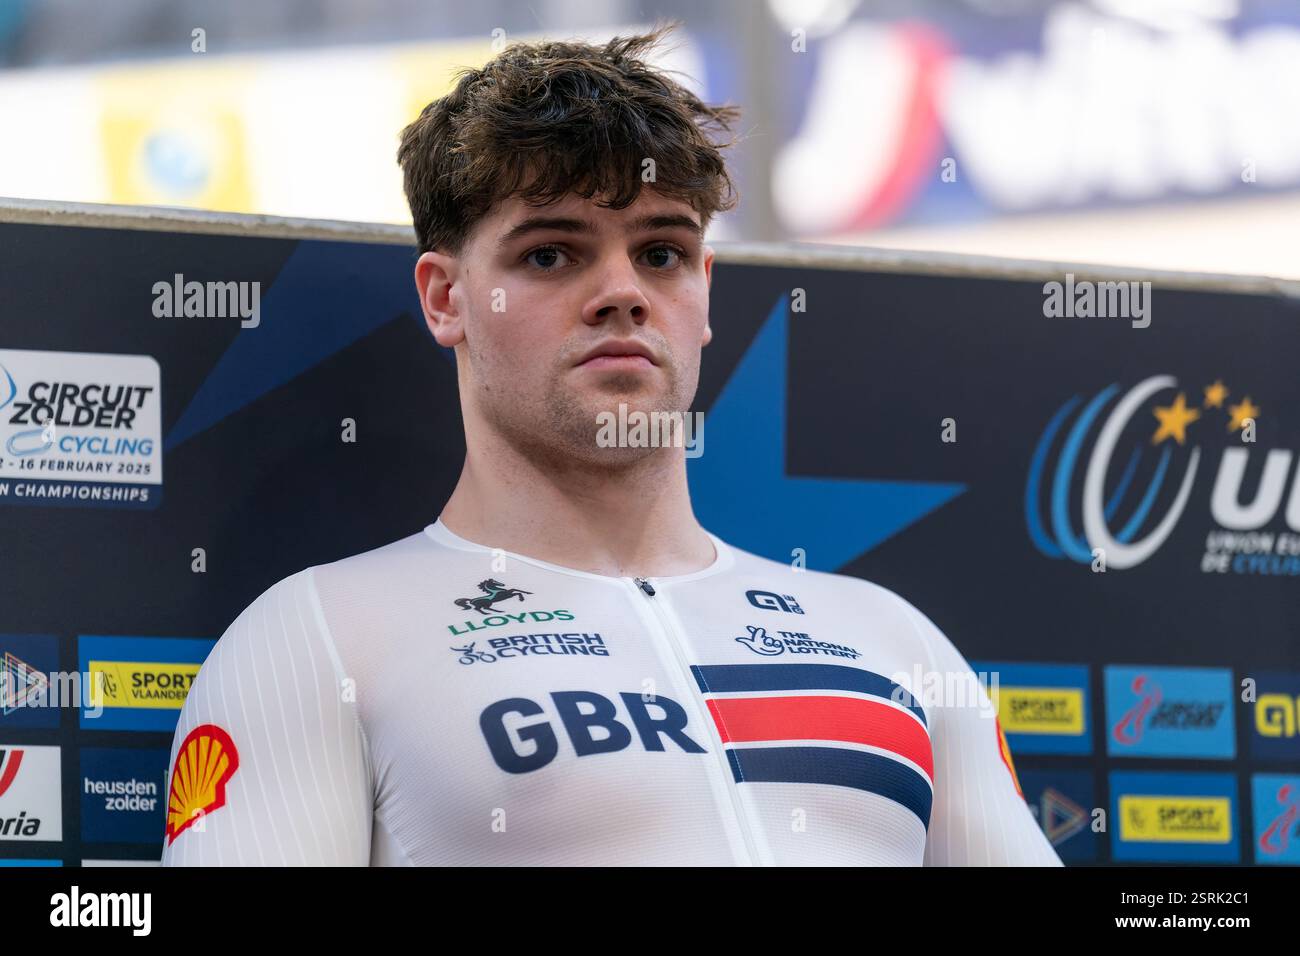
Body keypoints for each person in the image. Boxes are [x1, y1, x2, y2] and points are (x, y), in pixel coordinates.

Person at [161, 23, 1061, 867]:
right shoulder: (323, 636)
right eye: (552, 255)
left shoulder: (891, 639)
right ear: (446, 299)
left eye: (661, 253)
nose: (622, 293)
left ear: (705, 291)